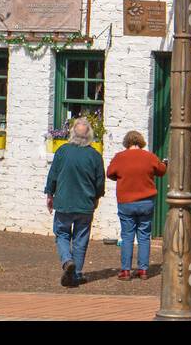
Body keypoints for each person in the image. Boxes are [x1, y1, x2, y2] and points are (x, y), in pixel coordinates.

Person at [44, 117, 106, 287]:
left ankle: (67, 261)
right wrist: (97, 197)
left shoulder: (62, 151)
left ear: (72, 134)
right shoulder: (94, 156)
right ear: (90, 136)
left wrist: (50, 194)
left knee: (62, 234)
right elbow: (100, 182)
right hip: (85, 203)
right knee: (81, 238)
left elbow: (53, 175)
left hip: (64, 201)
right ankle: (76, 274)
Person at [106, 130, 167, 280]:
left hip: (126, 202)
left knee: (127, 236)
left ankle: (126, 270)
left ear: (126, 142)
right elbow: (161, 170)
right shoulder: (149, 157)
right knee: (144, 236)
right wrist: (165, 162)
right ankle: (143, 269)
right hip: (146, 202)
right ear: (141, 142)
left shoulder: (120, 157)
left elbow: (110, 173)